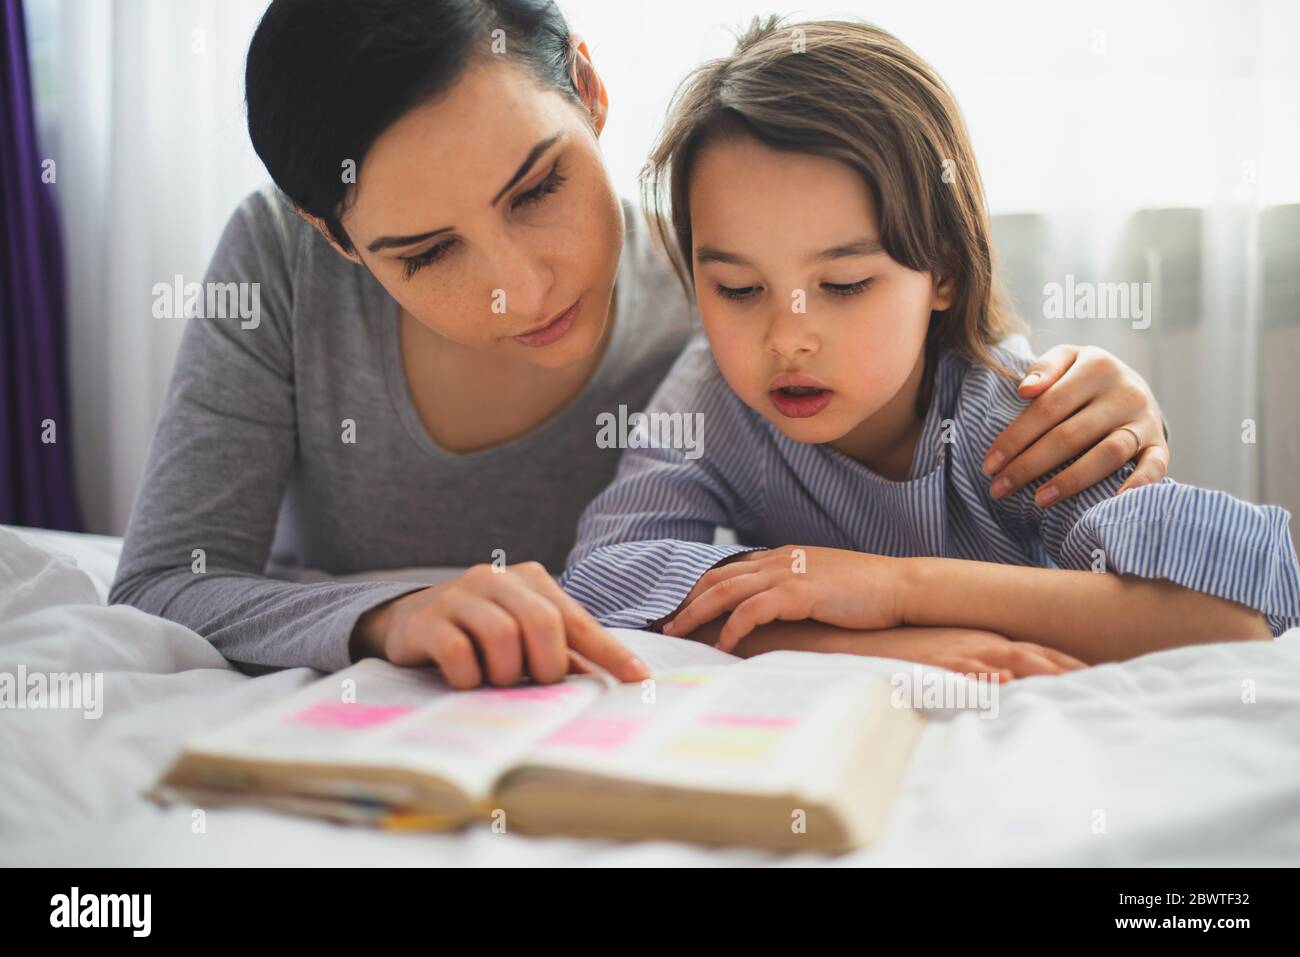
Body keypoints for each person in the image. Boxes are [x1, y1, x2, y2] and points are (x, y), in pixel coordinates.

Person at [111, 1, 1173, 687]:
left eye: (538, 189)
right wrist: (390, 612)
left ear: (591, 87)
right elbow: (166, 580)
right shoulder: (277, 262)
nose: (519, 290)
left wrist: (1100, 397)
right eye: (425, 253)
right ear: (331, 235)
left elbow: (948, 360)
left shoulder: (733, 288)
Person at [560, 18, 1300, 677]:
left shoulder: (1012, 414)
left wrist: (892, 588)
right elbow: (603, 579)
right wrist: (870, 643)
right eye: (738, 289)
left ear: (942, 270)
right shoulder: (712, 398)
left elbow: (1229, 617)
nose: (787, 337)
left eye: (845, 283)